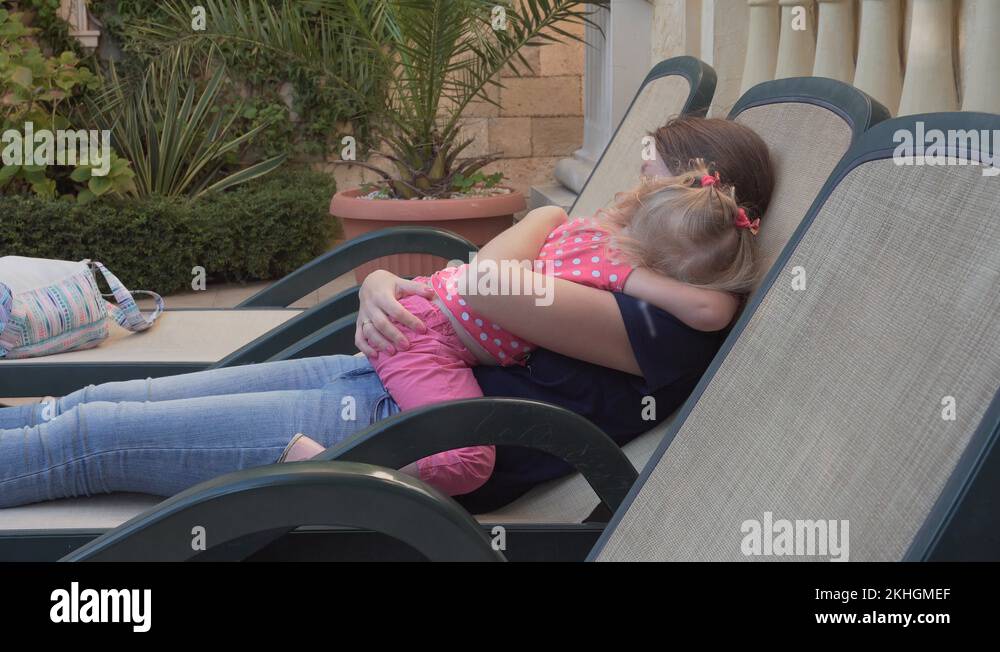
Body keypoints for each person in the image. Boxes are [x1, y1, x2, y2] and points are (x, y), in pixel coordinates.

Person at [0, 116, 774, 510]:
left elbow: (479, 289)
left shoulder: (661, 326)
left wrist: (544, 232)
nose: (622, 196)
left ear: (693, 200)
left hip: (395, 437)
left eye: (646, 182)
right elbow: (458, 287)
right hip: (379, 372)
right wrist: (378, 290)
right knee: (89, 401)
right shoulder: (607, 260)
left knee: (92, 439)